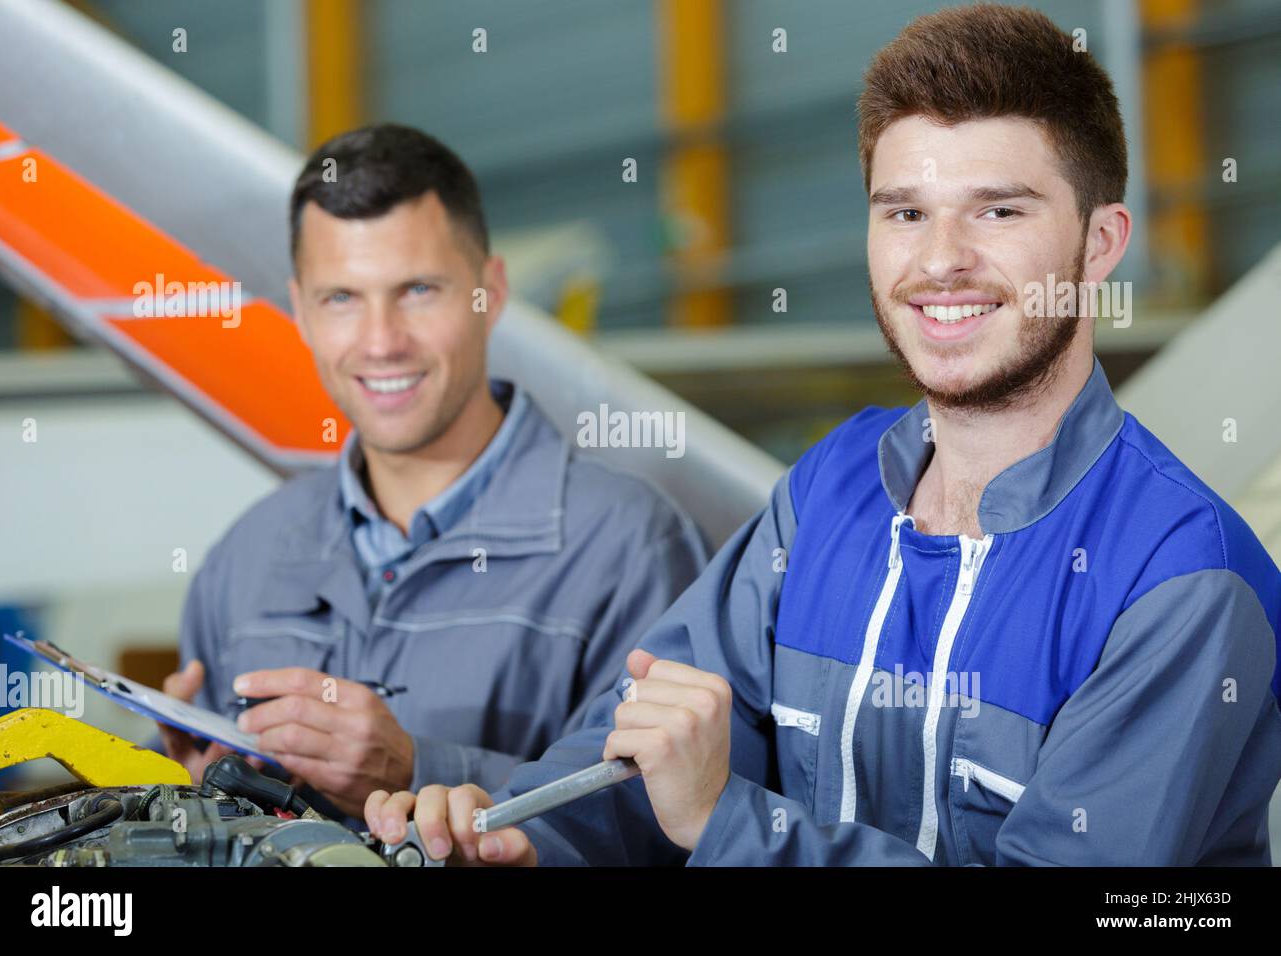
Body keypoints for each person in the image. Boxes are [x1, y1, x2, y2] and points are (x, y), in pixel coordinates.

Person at [366, 4, 1281, 866]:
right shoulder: (830, 488)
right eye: (904, 212)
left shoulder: (1183, 582)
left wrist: (727, 823)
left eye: (999, 210)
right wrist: (513, 830)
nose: (939, 260)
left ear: (1102, 243)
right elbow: (645, 747)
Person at [156, 124, 708, 824]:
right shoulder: (246, 558)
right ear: (300, 309)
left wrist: (423, 771)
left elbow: (663, 820)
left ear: (491, 291)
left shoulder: (631, 548)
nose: (382, 342)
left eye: (417, 290)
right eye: (342, 299)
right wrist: (192, 788)